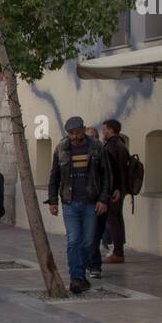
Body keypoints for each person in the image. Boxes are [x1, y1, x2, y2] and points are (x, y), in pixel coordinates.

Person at [46, 116, 112, 295]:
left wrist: (103, 199)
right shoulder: (61, 148)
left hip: (91, 201)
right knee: (74, 240)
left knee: (89, 241)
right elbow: (54, 176)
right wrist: (52, 200)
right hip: (70, 201)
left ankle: (81, 275)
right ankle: (76, 277)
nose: (75, 136)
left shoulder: (96, 147)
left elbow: (106, 176)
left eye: (77, 132)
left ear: (83, 129)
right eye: (71, 133)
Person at [88, 118, 129, 274]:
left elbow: (113, 171)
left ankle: (118, 252)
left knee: (112, 220)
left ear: (111, 130)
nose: (103, 132)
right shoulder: (121, 144)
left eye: (105, 129)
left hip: (113, 191)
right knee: (116, 219)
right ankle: (117, 250)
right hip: (118, 189)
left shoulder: (112, 146)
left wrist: (115, 189)